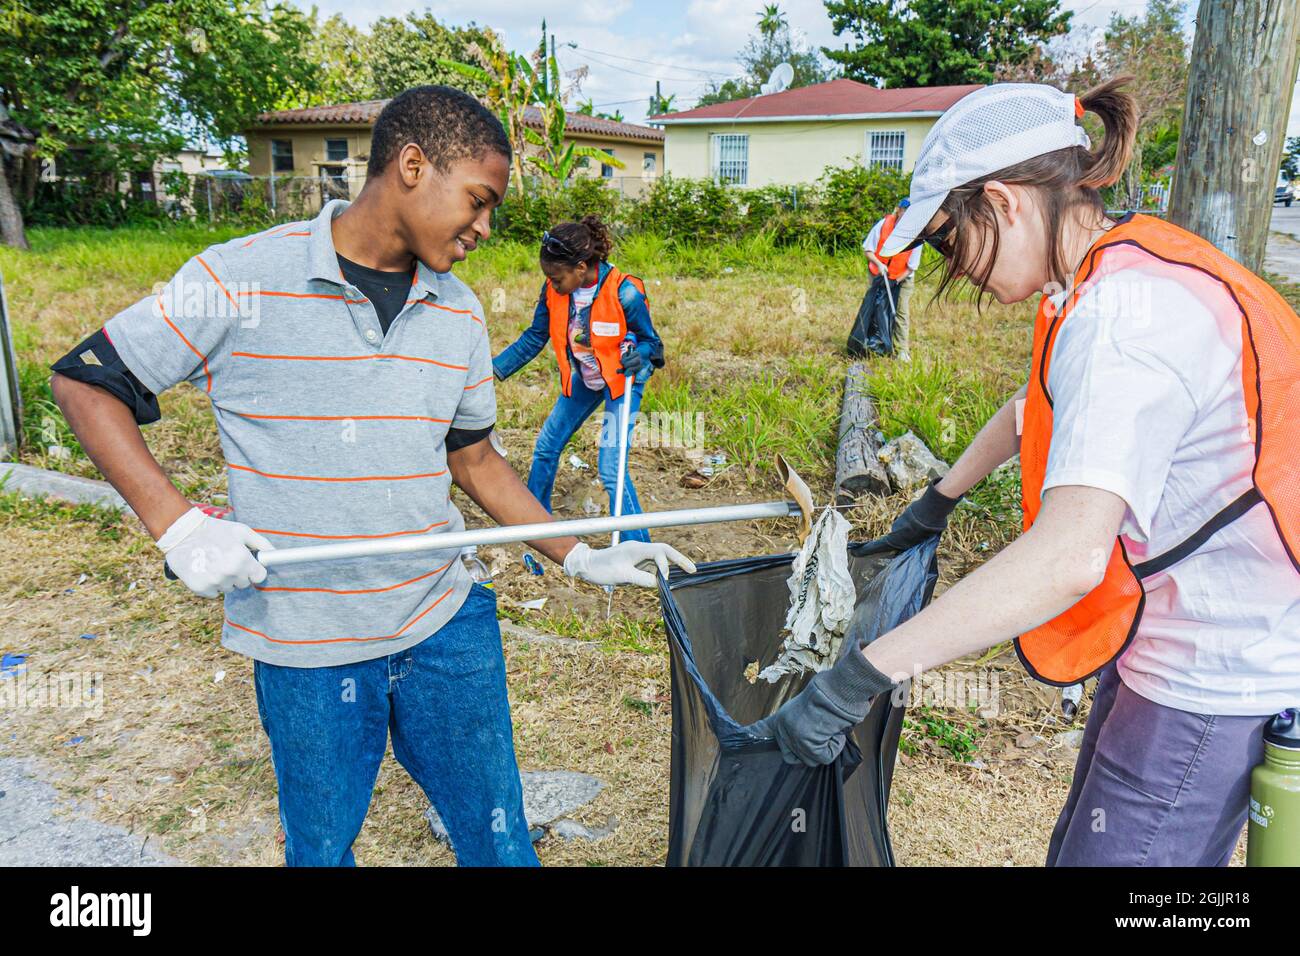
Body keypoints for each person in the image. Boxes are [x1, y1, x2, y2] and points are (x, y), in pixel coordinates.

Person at [48, 86, 694, 867]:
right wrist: (177, 522)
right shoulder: (238, 276)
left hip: (443, 625)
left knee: (500, 841)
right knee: (321, 852)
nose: (486, 229)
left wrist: (579, 554)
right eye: (480, 201)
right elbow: (87, 380)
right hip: (306, 645)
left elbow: (475, 459)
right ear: (413, 166)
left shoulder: (456, 312)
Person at [759, 77, 1300, 866]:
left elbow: (1067, 561)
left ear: (1004, 202)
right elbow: (1031, 411)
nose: (953, 265)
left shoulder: (1123, 322)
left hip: (1217, 665)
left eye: (948, 238)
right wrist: (934, 507)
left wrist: (856, 681)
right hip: (1172, 628)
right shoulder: (1109, 273)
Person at [492, 216, 663, 543]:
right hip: (584, 378)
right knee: (546, 446)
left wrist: (637, 355)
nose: (552, 285)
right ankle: (534, 526)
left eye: (556, 278)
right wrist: (490, 372)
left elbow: (653, 344)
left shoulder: (624, 292)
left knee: (612, 470)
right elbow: (534, 338)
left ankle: (640, 550)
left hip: (620, 381)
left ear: (581, 268)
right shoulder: (554, 291)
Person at [862, 198, 924, 360]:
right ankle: (874, 342)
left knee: (900, 312)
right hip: (878, 274)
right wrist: (879, 265)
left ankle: (901, 349)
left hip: (902, 278)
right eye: (905, 211)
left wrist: (894, 282)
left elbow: (911, 266)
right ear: (899, 210)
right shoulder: (883, 225)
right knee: (876, 307)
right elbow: (868, 250)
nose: (907, 215)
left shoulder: (917, 235)